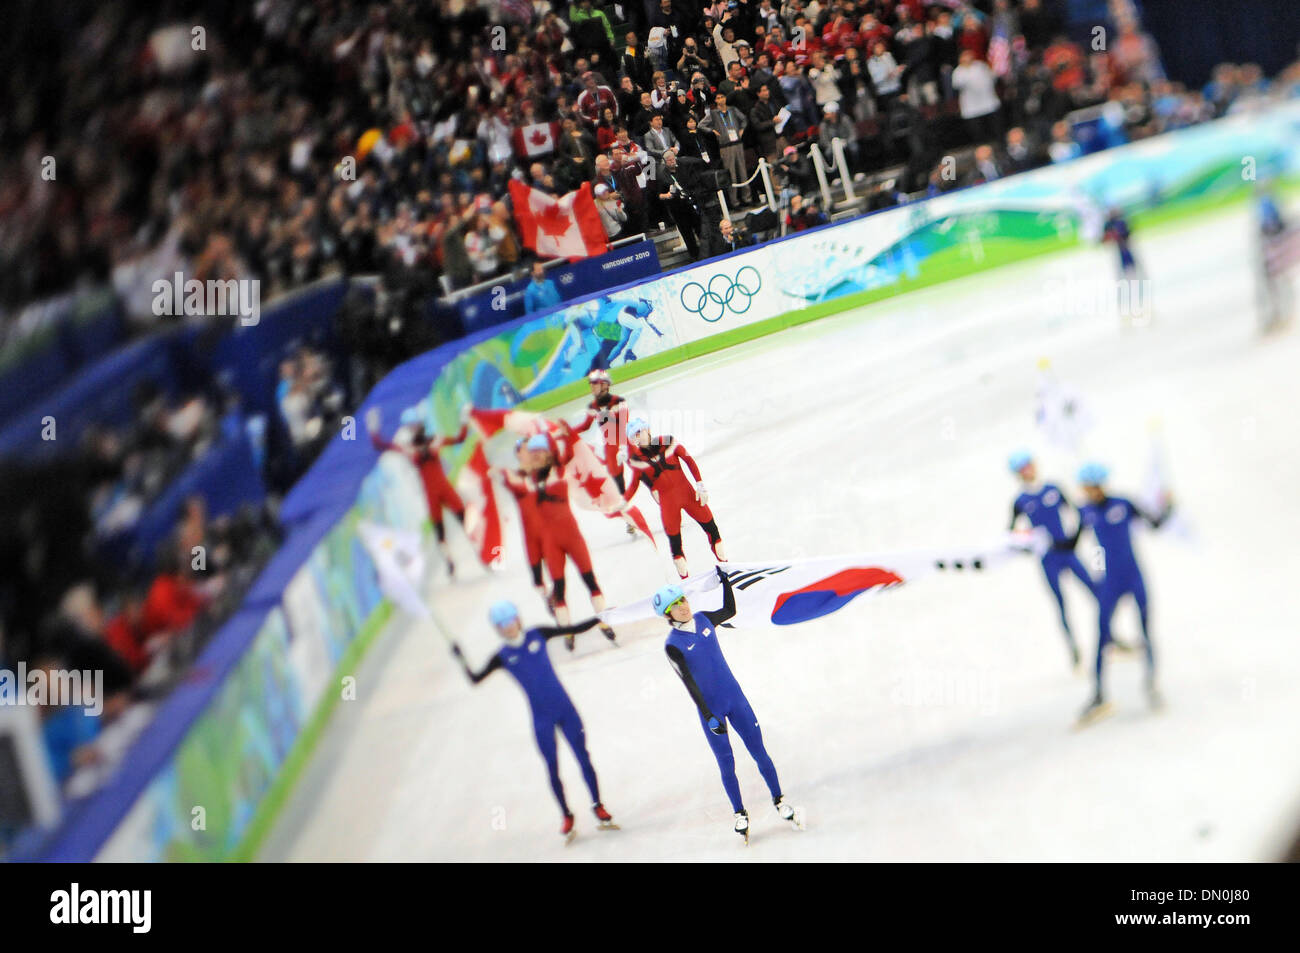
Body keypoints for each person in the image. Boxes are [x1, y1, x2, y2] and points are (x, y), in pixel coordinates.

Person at [654, 569, 802, 842]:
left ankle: (779, 800)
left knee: (759, 751)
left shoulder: (704, 619)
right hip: (712, 712)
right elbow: (689, 683)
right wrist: (709, 715)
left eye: (683, 601)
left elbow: (729, 610)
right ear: (668, 615)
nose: (683, 607)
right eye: (675, 606)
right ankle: (739, 813)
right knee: (727, 764)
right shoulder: (672, 645)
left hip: (736, 699)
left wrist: (725, 582)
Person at [452, 600, 617, 841]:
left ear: (518, 619)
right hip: (542, 718)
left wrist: (601, 617)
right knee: (552, 767)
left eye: (510, 621)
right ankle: (566, 815)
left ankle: (597, 805)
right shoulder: (501, 656)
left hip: (565, 709)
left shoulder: (538, 634)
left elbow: (573, 629)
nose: (508, 627)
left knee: (584, 757)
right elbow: (476, 679)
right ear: (497, 629)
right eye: (502, 625)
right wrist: (461, 659)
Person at [1072, 463, 1173, 724]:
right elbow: (1080, 544)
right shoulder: (1085, 511)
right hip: (1110, 581)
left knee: (1146, 631)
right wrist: (1098, 571)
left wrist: (1167, 505)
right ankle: (1098, 694)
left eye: (1093, 487)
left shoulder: (1124, 503)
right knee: (1102, 635)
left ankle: (1151, 685)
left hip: (1133, 575)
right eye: (1086, 488)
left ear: (1102, 485)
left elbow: (1155, 523)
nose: (1090, 492)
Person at [1006, 451, 1096, 668]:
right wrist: (1030, 547)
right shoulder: (1020, 501)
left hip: (1068, 551)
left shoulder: (1053, 489)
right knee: (1061, 604)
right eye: (1022, 468)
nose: (1028, 471)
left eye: (1029, 465)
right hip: (1048, 559)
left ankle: (1112, 637)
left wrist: (1074, 538)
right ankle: (1074, 649)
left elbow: (1079, 512)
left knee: (1096, 590)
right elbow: (1010, 535)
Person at [368, 407, 469, 577]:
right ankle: (449, 560)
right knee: (439, 530)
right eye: (410, 427)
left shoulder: (434, 440)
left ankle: (481, 548)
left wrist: (464, 420)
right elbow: (381, 444)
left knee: (464, 518)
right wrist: (373, 428)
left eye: (415, 425)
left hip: (442, 489)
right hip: (433, 493)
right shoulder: (409, 447)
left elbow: (460, 438)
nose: (414, 429)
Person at [623, 417, 725, 578]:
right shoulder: (636, 461)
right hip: (668, 506)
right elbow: (633, 486)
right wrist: (620, 503)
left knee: (713, 530)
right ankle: (686, 584)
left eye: (638, 432)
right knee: (676, 548)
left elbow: (689, 460)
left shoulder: (668, 441)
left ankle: (726, 567)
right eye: (632, 436)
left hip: (689, 495)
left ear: (647, 430)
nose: (636, 438)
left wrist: (700, 485)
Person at [571, 369, 631, 493]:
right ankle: (622, 499)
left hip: (623, 441)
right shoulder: (593, 406)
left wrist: (623, 447)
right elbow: (585, 426)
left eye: (595, 383)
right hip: (610, 445)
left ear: (605, 385)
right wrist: (568, 431)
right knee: (615, 476)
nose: (592, 386)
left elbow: (623, 425)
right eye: (591, 383)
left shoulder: (619, 402)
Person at [700, 92, 751, 207]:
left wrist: (742, 129)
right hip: (725, 146)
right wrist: (712, 131)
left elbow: (744, 119)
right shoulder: (713, 113)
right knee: (731, 173)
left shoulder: (732, 109)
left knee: (742, 171)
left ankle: (747, 198)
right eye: (718, 98)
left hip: (737, 144)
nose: (721, 99)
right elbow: (701, 125)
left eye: (722, 97)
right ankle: (734, 201)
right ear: (716, 101)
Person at [656, 149, 704, 260]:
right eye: (669, 160)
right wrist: (667, 195)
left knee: (700, 229)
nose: (672, 162)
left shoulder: (683, 169)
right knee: (687, 235)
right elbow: (659, 195)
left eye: (673, 159)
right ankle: (695, 257)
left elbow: (692, 183)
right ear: (665, 162)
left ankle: (706, 251)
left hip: (690, 204)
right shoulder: (662, 176)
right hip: (677, 209)